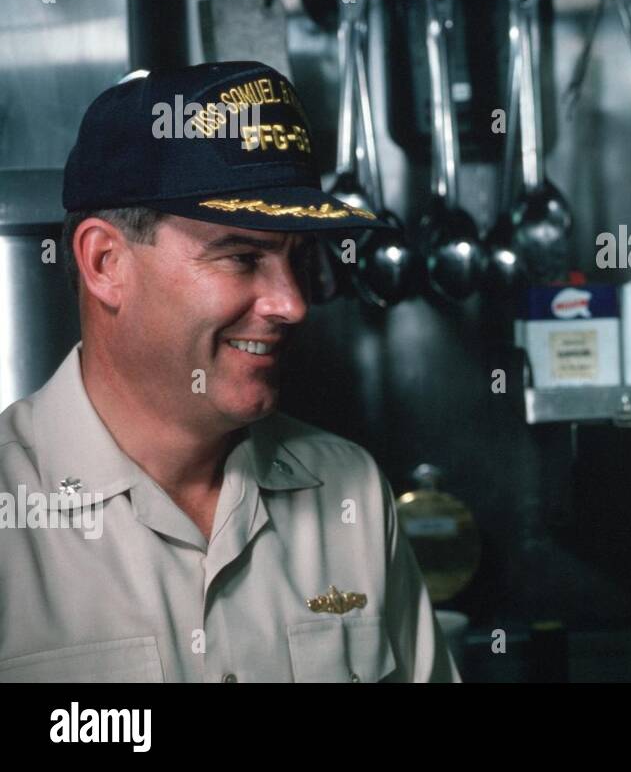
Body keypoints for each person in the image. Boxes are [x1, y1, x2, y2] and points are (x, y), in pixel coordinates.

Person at [0, 62, 459, 682]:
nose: (292, 303)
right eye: (242, 256)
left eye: (296, 259)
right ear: (106, 262)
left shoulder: (350, 489)